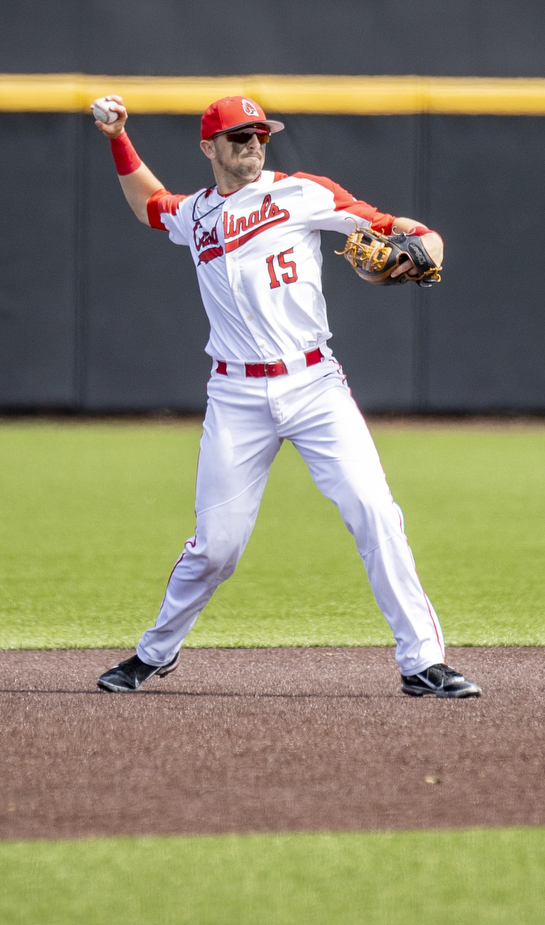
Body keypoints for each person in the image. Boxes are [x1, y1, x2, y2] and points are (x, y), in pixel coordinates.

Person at [91, 94, 481, 699]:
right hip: (235, 394)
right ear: (209, 147)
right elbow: (149, 204)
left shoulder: (303, 192)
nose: (252, 146)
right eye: (240, 137)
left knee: (375, 513)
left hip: (314, 383)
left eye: (260, 136)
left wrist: (427, 242)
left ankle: (423, 662)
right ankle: (153, 653)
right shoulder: (194, 214)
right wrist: (119, 137)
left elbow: (394, 227)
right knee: (216, 548)